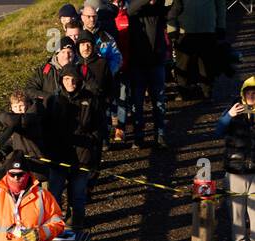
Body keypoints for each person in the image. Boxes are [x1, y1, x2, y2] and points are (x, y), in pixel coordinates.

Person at [45, 64, 102, 229]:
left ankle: (76, 222)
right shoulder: (53, 100)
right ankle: (53, 225)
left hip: (82, 155)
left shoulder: (90, 99)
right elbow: (46, 127)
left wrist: (91, 146)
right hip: (58, 155)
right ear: (61, 80)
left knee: (77, 194)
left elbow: (99, 127)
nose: (70, 83)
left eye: (73, 79)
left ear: (79, 80)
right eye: (66, 79)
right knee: (54, 193)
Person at [216, 77, 255, 241]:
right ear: (243, 93)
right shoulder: (233, 109)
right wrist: (228, 116)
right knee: (236, 214)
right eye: (249, 91)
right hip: (235, 170)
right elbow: (218, 131)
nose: (252, 95)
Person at [125, 0, 170, 146]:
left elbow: (177, 9)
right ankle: (138, 136)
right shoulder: (134, 10)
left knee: (159, 103)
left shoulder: (159, 10)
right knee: (137, 104)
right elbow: (131, 9)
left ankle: (160, 135)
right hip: (137, 65)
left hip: (156, 63)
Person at [167, 0, 226, 100]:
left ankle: (206, 92)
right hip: (187, 31)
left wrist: (221, 26)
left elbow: (220, 5)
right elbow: (171, 7)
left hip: (205, 30)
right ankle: (185, 92)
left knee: (206, 65)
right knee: (183, 65)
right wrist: (172, 28)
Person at [0, 89, 48, 179]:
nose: (18, 109)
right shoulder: (15, 120)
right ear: (11, 107)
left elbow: (22, 121)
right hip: (21, 161)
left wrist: (1, 116)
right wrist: (5, 149)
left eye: (21, 106)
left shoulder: (33, 115)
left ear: (27, 105)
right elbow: (15, 139)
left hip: (35, 163)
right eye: (15, 106)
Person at [82, 1, 123, 74]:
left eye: (94, 16)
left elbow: (116, 58)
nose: (92, 19)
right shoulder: (76, 35)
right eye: (88, 16)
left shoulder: (106, 37)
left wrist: (107, 72)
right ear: (82, 17)